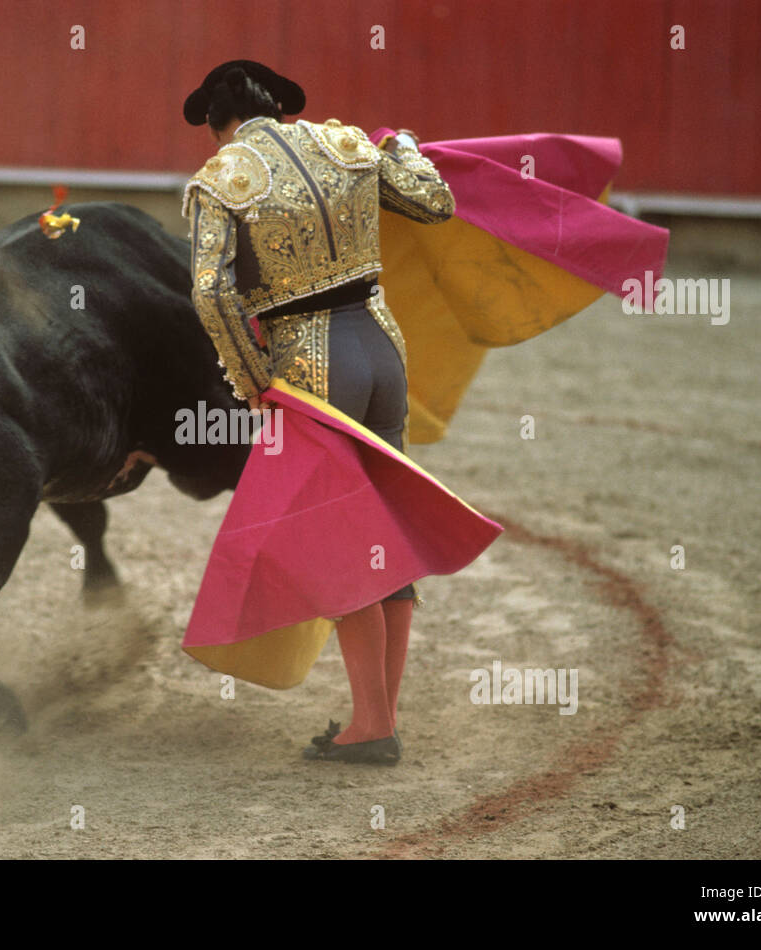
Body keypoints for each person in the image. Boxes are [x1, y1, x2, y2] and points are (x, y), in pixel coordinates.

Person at [181, 60, 455, 763]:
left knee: (340, 541)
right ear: (280, 107)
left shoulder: (222, 177)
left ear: (218, 125)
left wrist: (250, 383)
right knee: (382, 533)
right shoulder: (350, 144)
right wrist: (404, 145)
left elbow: (211, 294)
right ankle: (378, 717)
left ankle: (372, 727)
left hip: (312, 365)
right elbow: (436, 203)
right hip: (383, 348)